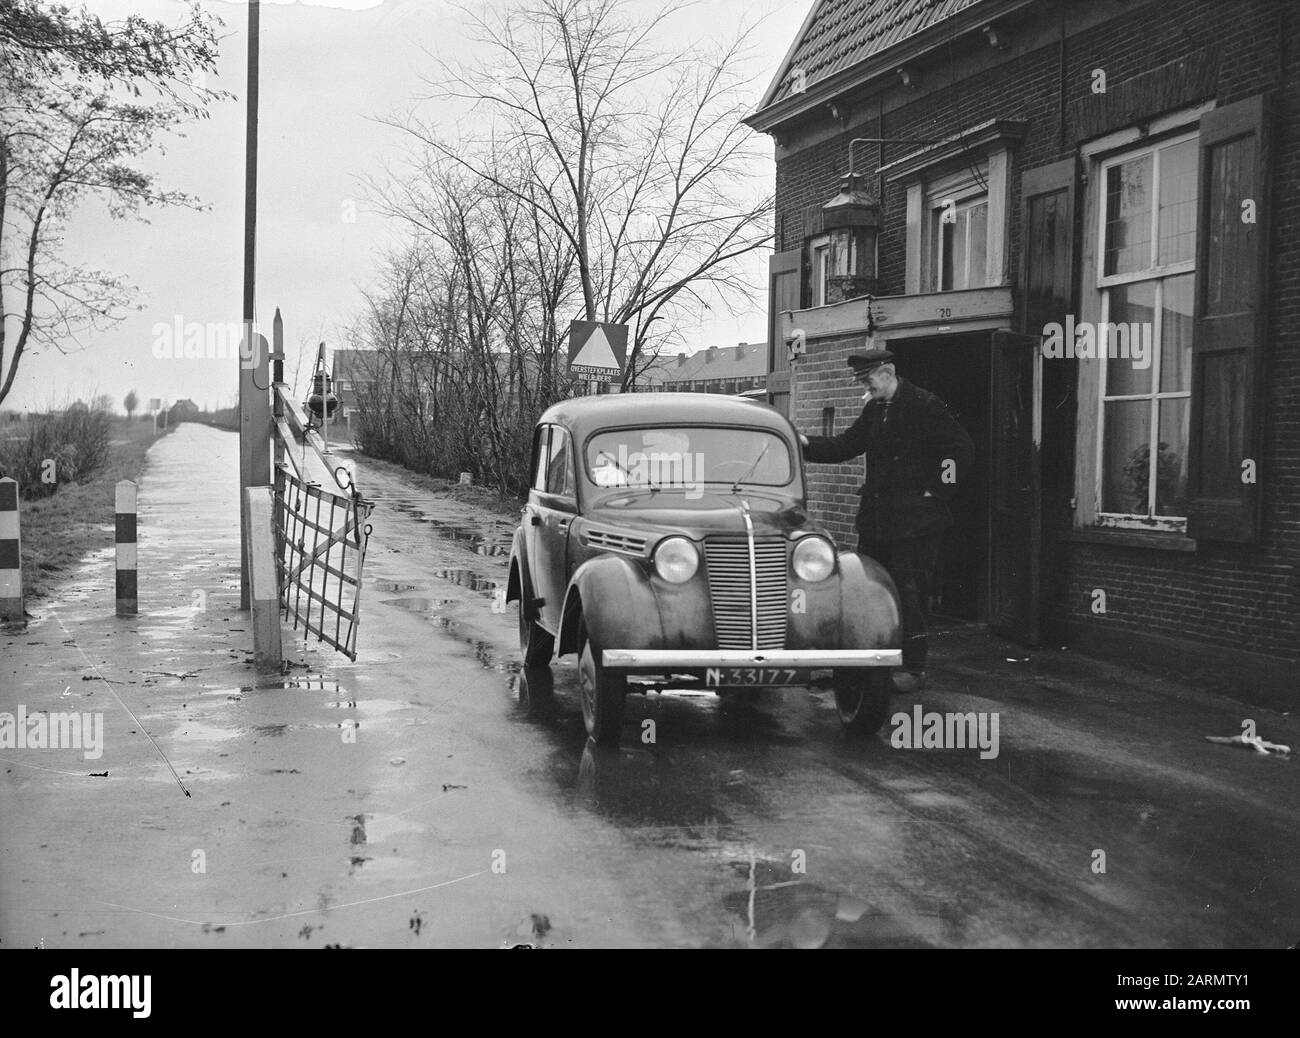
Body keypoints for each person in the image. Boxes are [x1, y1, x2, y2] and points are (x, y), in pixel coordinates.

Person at [798, 348, 975, 692]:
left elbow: (961, 448)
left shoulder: (924, 404)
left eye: (867, 380)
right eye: (861, 381)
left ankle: (913, 668)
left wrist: (937, 490)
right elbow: (846, 444)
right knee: (866, 592)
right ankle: (859, 666)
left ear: (888, 372)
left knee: (909, 594)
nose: (864, 387)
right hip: (878, 523)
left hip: (916, 526)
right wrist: (803, 443)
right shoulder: (875, 410)